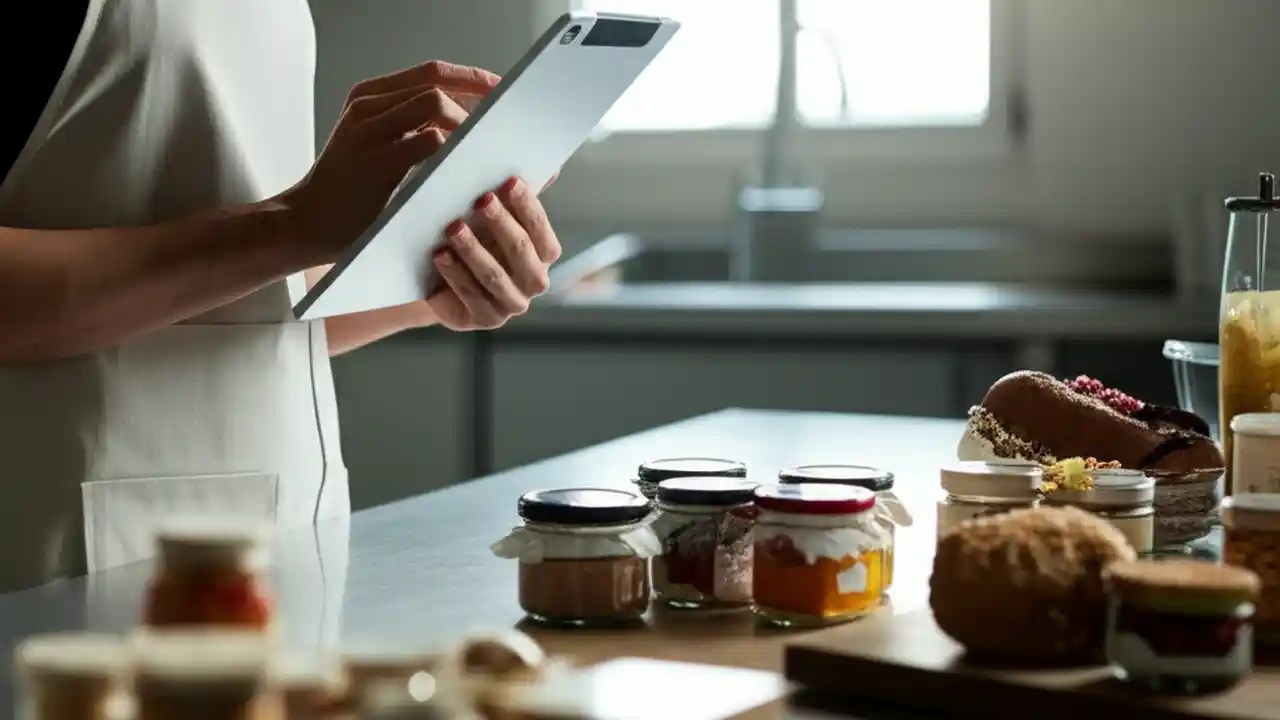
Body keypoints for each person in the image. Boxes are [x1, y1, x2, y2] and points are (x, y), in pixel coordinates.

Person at [0, 1, 561, 593]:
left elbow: (257, 297)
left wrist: (432, 281)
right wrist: (293, 225)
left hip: (291, 542)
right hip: (65, 561)